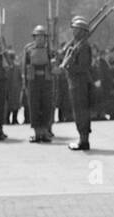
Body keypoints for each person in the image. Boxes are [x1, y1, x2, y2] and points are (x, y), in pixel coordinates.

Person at [62, 15, 95, 151]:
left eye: (76, 30)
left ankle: (84, 140)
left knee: (81, 112)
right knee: (78, 112)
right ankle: (82, 138)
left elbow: (83, 67)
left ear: (81, 31)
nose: (73, 32)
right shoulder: (77, 45)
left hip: (80, 84)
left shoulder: (83, 47)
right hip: (76, 83)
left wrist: (68, 67)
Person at [23, 25, 56, 143]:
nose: (40, 39)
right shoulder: (28, 50)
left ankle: (45, 132)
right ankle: (37, 133)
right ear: (34, 38)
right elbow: (25, 68)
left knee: (47, 106)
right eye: (38, 37)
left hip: (46, 81)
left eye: (42, 37)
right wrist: (25, 84)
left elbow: (54, 66)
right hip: (33, 81)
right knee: (34, 107)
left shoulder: (49, 50)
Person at [4, 49, 22, 126]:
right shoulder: (6, 67)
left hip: (15, 89)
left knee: (16, 105)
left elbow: (20, 77)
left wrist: (21, 86)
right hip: (8, 89)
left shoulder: (17, 67)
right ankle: (7, 119)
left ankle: (15, 119)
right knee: (8, 105)